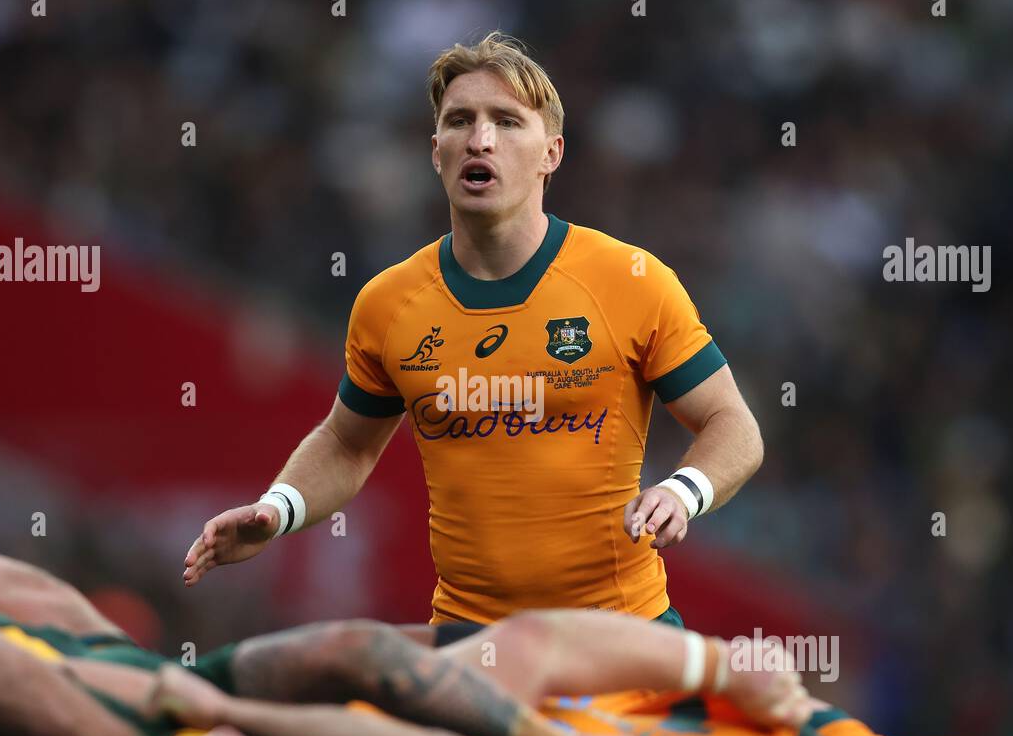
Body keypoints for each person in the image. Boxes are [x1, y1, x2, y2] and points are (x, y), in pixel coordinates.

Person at [182, 31, 763, 628]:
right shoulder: (389, 303)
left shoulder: (632, 280)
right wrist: (277, 509)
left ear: (551, 154)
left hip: (621, 635)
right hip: (467, 648)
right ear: (438, 152)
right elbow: (347, 443)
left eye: (507, 122)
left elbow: (733, 424)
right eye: (460, 121)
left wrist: (684, 491)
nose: (480, 139)